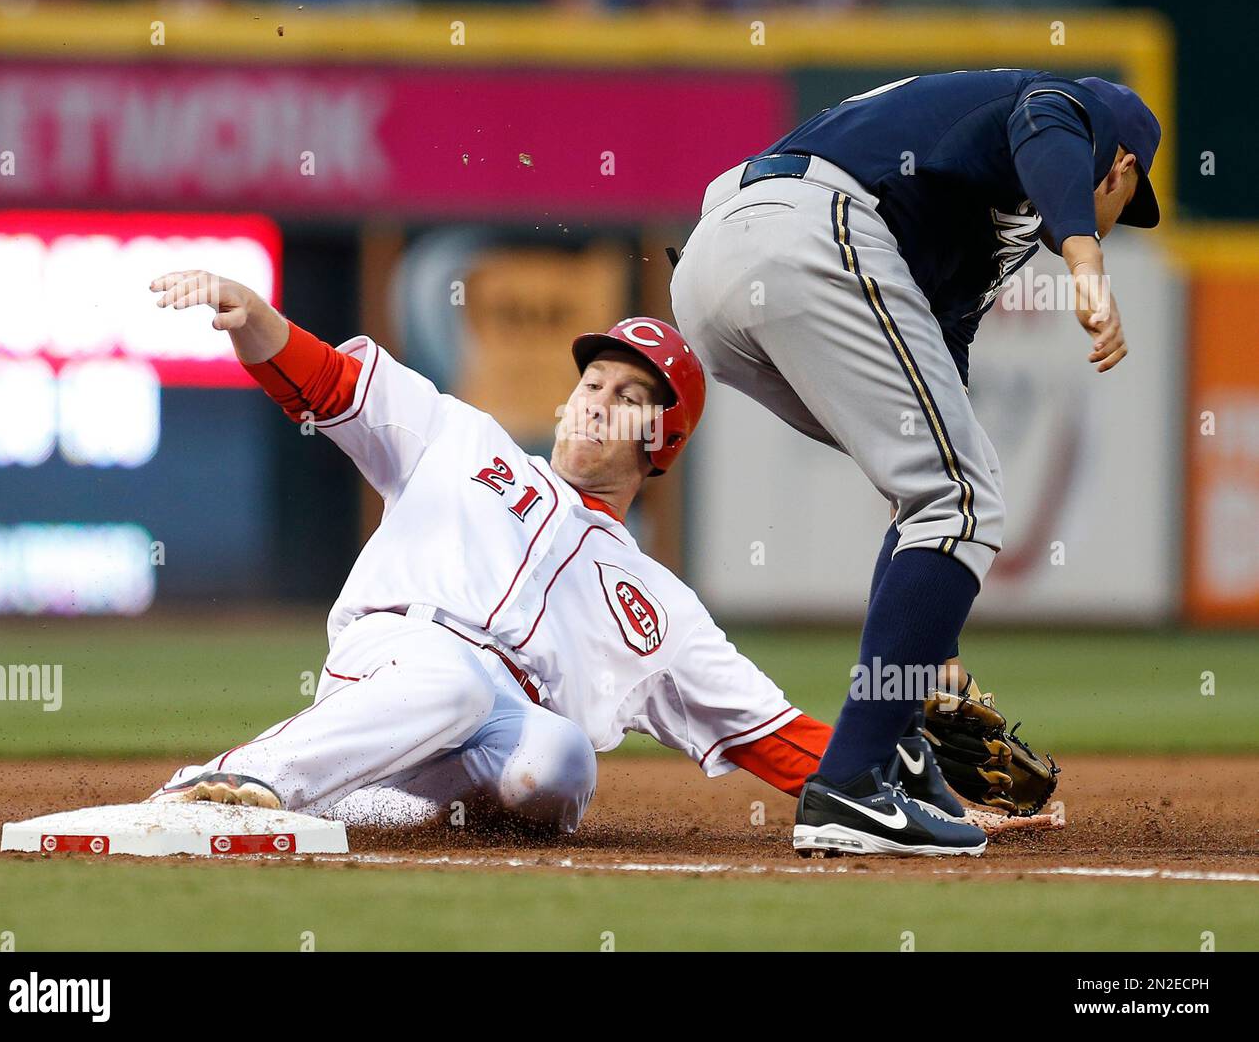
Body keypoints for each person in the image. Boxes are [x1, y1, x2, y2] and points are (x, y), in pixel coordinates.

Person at [145, 270, 978, 854]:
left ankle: (364, 803)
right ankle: (234, 780)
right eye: (593, 384)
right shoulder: (460, 436)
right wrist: (254, 314)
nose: (597, 401)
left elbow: (774, 736)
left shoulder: (661, 603)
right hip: (397, 659)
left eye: (628, 397)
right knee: (457, 683)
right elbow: (327, 385)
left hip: (485, 732)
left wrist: (906, 786)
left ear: (663, 440)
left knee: (565, 760)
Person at [669, 70, 1160, 854]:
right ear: (1122, 167)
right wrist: (1085, 259)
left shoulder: (984, 225)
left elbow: (943, 388)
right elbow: (1050, 124)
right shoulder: (1066, 111)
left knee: (935, 490)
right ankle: (852, 785)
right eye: (1121, 204)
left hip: (716, 270)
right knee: (960, 494)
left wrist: (935, 655)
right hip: (805, 229)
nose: (1112, 215)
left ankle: (893, 742)